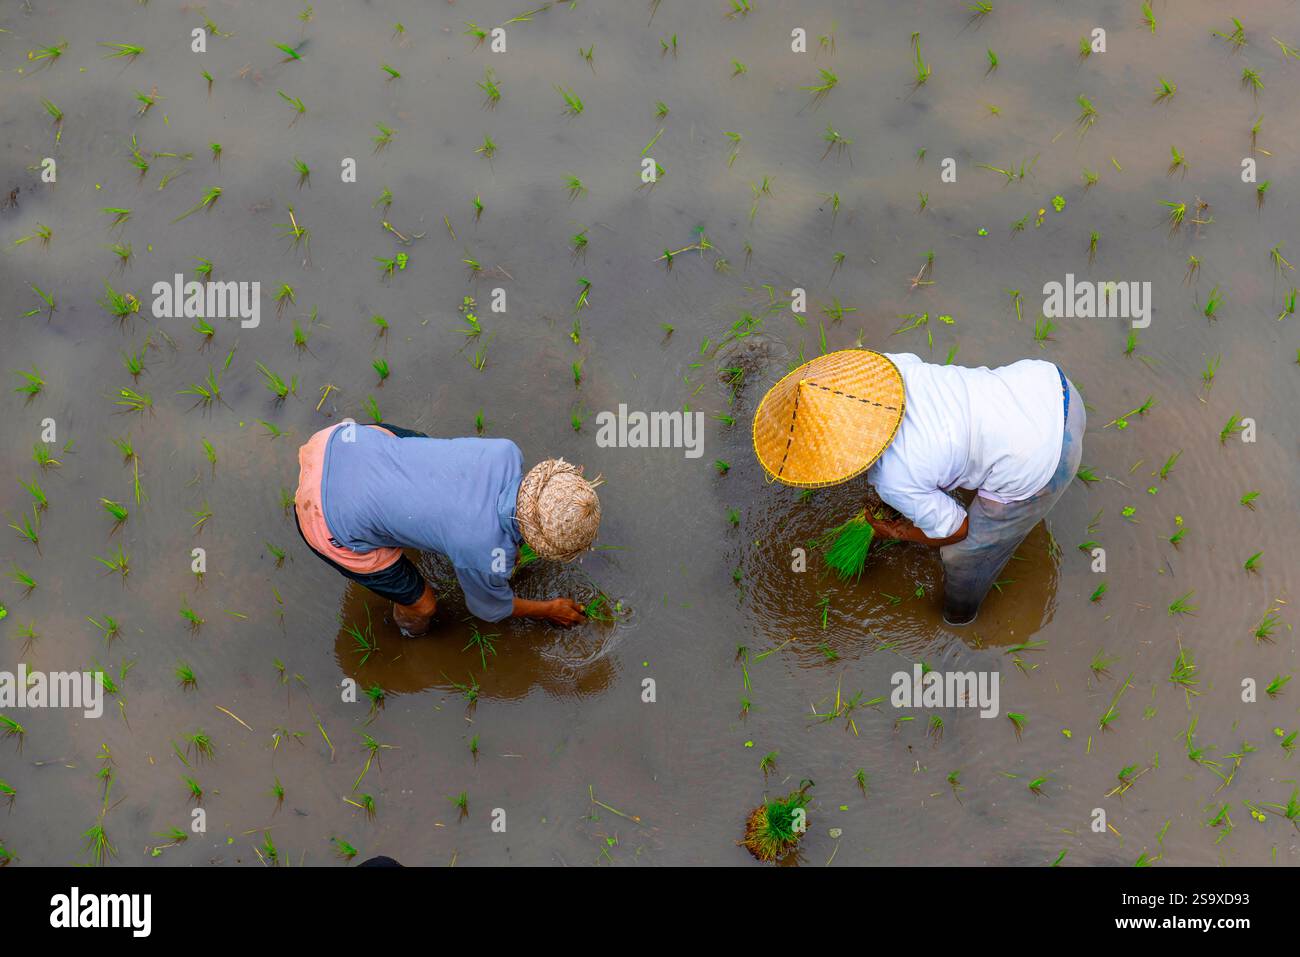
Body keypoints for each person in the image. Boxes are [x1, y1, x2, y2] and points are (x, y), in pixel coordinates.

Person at [751, 349, 1084, 626]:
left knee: (963, 555)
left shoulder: (894, 480)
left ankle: (959, 621)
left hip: (1045, 458)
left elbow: (958, 531)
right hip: (1049, 386)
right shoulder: (884, 368)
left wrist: (895, 532)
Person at [294, 421, 602, 636]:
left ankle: (397, 522)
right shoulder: (482, 549)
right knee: (424, 606)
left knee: (420, 447)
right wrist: (549, 610)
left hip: (340, 443)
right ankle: (408, 636)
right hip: (324, 513)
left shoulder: (506, 453)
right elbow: (489, 609)